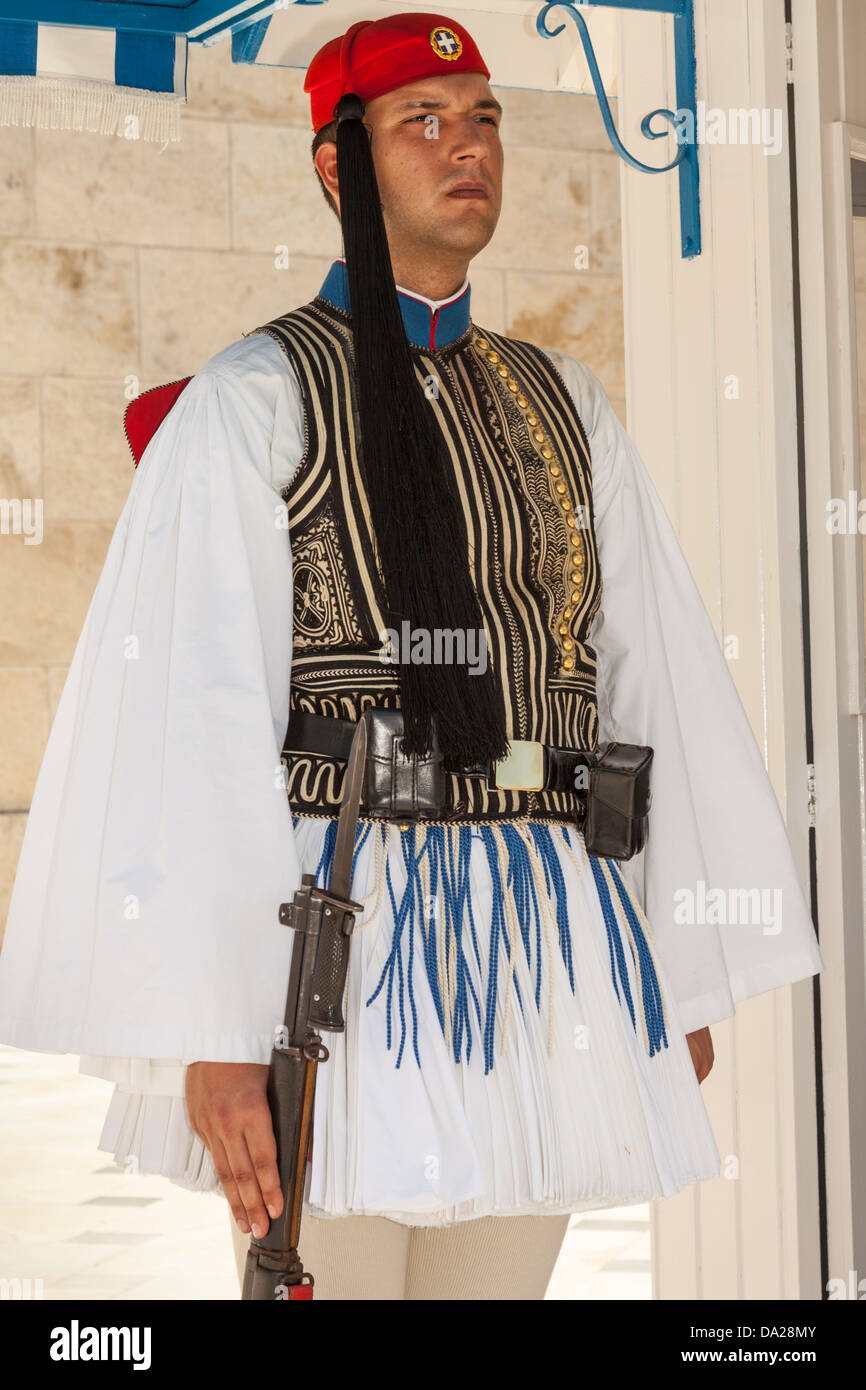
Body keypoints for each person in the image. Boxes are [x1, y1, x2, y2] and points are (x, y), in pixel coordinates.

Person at [0, 12, 823, 1301]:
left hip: (554, 937)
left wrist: (678, 960)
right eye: (421, 123)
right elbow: (191, 716)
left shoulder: (567, 405)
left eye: (483, 119)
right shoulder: (252, 399)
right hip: (339, 939)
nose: (467, 147)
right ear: (339, 168)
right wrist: (210, 1033)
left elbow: (651, 684)